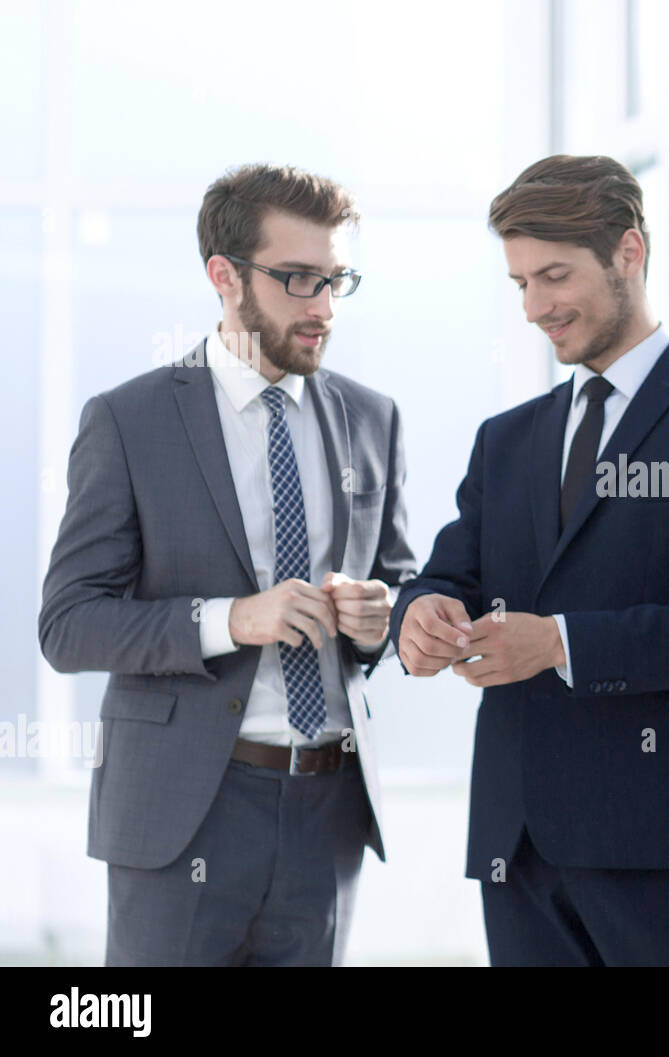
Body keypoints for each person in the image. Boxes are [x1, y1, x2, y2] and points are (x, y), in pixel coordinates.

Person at [391, 155, 669, 966]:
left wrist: (562, 642)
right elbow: (447, 576)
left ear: (630, 250)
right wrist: (416, 615)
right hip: (515, 845)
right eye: (520, 281)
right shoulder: (507, 437)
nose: (534, 306)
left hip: (662, 842)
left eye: (553, 276)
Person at [39, 164, 417, 965]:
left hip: (328, 811)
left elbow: (401, 581)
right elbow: (68, 625)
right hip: (183, 812)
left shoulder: (372, 418)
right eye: (297, 279)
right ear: (224, 275)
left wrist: (383, 616)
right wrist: (231, 618)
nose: (323, 307)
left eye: (336, 280)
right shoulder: (130, 419)